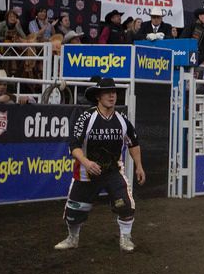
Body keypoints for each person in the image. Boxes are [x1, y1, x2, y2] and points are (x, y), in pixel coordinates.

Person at [53, 78, 145, 253]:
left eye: (114, 92)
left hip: (112, 171)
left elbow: (133, 143)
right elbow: (74, 145)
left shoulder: (122, 120)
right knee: (74, 211)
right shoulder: (86, 118)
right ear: (98, 96)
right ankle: (72, 238)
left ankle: (126, 238)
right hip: (86, 172)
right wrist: (86, 162)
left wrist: (139, 166)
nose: (112, 96)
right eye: (107, 93)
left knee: (125, 204)